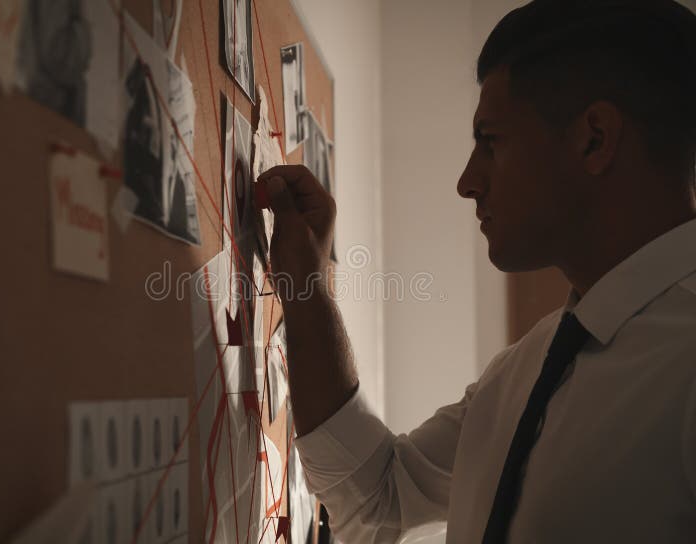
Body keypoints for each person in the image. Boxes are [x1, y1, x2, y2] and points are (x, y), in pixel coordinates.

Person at [258, 1, 696, 542]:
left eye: (490, 141)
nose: (467, 181)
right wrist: (308, 287)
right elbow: (377, 496)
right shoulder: (522, 372)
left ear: (595, 139)